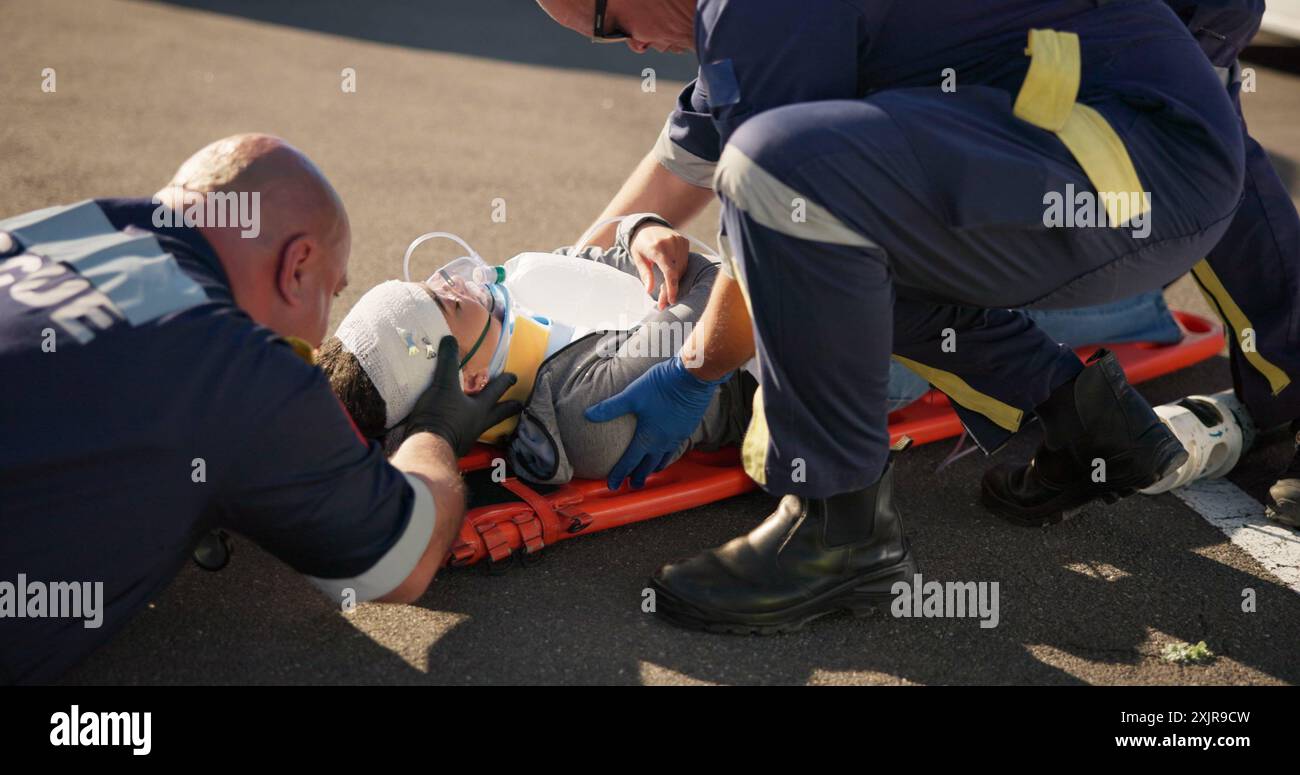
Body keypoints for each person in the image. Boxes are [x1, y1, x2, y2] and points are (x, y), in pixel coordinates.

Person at [539, 0, 1254, 632]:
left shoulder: (759, 11)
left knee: (786, 182)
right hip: (1112, 160)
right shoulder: (756, 24)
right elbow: (690, 155)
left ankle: (838, 533)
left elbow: (770, 194)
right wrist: (568, 267)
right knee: (839, 248)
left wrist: (693, 369)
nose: (630, 47)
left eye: (606, 26)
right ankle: (1088, 422)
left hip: (1130, 170)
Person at [0, 134, 517, 684]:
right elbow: (404, 562)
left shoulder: (54, 227)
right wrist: (437, 430)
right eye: (333, 292)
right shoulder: (232, 362)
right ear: (297, 265)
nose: (322, 334)